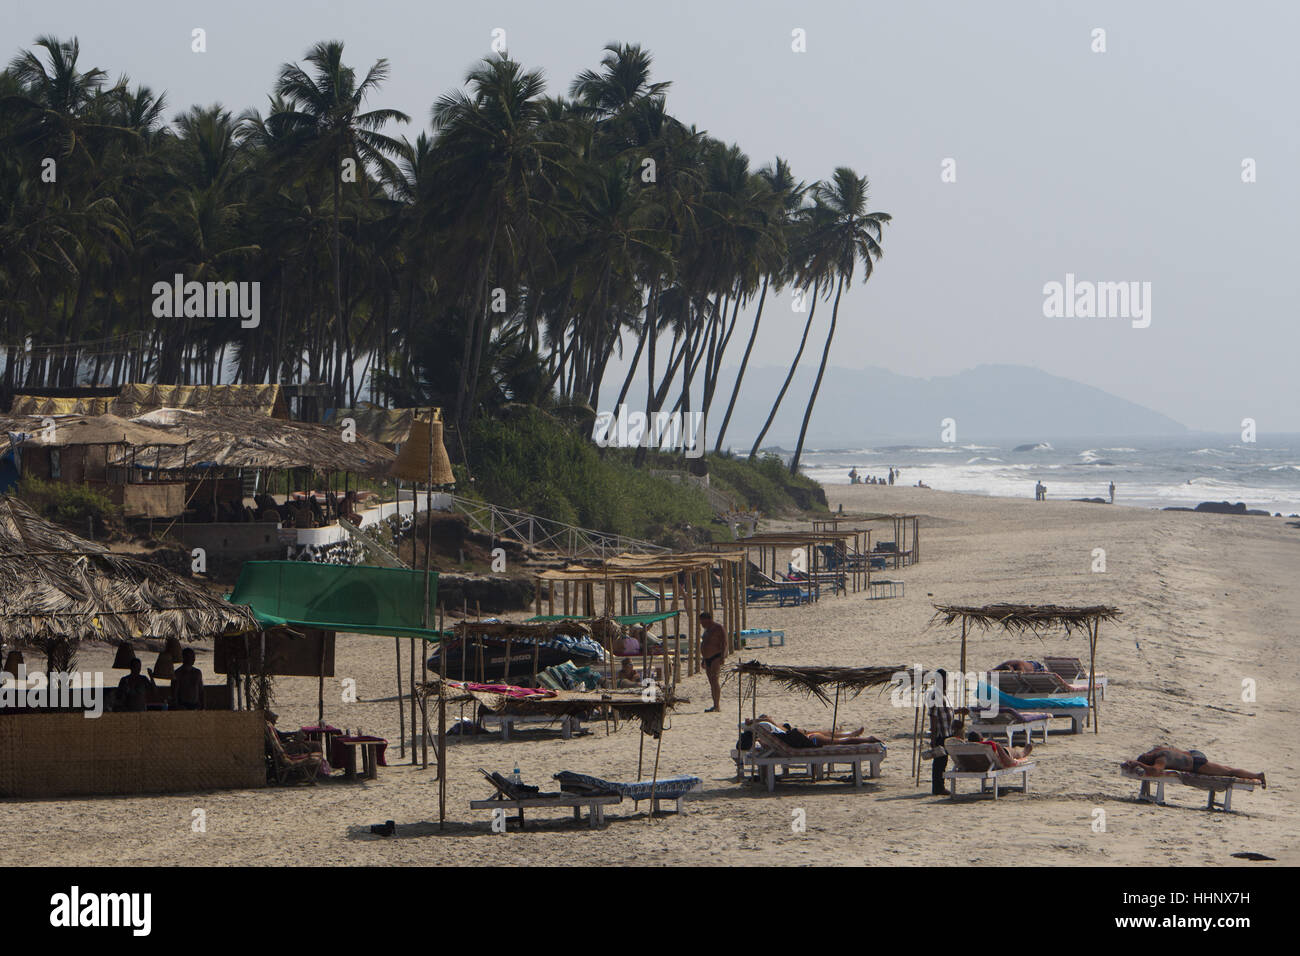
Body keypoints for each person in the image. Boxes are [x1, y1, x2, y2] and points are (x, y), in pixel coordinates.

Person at [1132, 746, 1265, 787]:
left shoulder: (1160, 759)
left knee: (1229, 772)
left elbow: (1154, 771)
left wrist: (1138, 764)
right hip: (1192, 754)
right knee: (1227, 769)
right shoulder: (1157, 750)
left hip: (1195, 763)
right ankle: (1256, 774)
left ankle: (1257, 776)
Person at [928, 669, 957, 795]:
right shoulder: (936, 696)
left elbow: (948, 712)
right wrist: (933, 739)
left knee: (943, 761)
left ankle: (940, 785)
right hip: (941, 734)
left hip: (948, 732)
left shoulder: (944, 695)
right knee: (939, 762)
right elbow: (933, 718)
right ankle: (938, 787)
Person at [699, 611, 727, 712]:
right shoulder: (706, 630)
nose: (701, 624)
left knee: (715, 680)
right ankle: (714, 704)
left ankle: (717, 705)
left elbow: (724, 642)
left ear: (708, 620)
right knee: (711, 682)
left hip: (716, 656)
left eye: (702, 622)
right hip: (707, 659)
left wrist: (722, 657)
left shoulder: (718, 628)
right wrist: (703, 659)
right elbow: (705, 644)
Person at [965, 731, 1033, 767]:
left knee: (1013, 750)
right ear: (982, 739)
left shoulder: (966, 748)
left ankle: (1020, 751)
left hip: (979, 764)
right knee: (1017, 753)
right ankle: (1024, 752)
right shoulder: (990, 745)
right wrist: (1014, 762)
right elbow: (1008, 762)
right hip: (1002, 755)